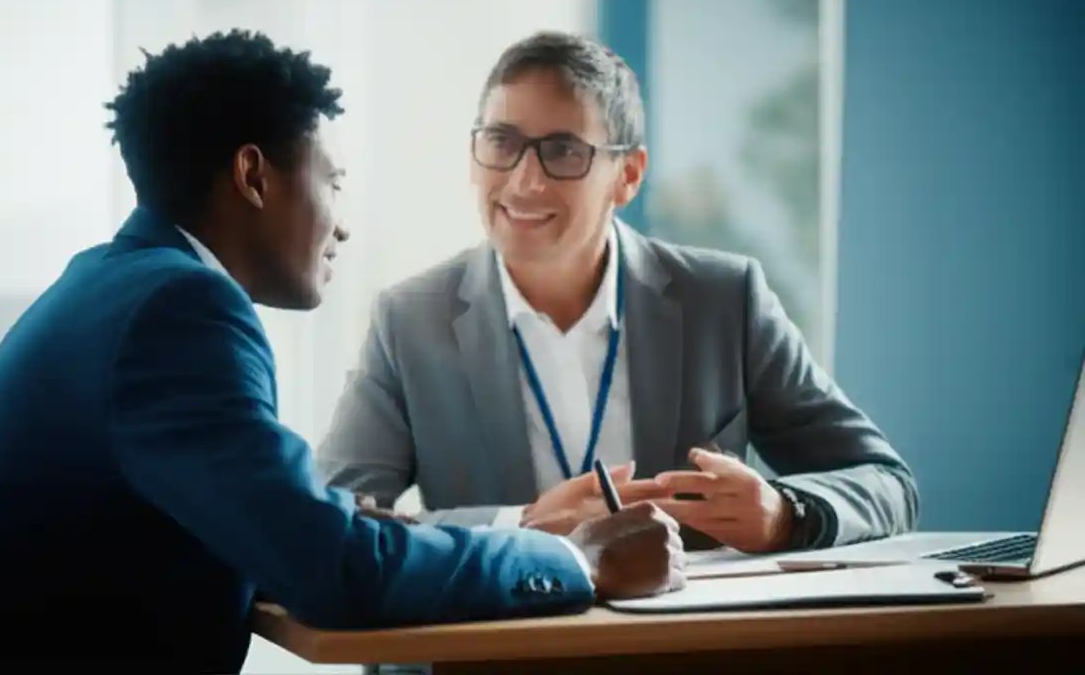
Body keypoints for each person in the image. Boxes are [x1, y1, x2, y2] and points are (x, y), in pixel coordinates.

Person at [0, 31, 684, 673]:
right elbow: (334, 572)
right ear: (253, 176)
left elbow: (287, 531)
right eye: (334, 183)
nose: (343, 223)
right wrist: (574, 557)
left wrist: (326, 524)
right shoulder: (185, 308)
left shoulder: (109, 282)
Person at [319, 31, 919, 554]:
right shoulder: (409, 321)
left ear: (627, 175)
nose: (524, 180)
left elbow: (885, 482)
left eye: (562, 152)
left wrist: (785, 514)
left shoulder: (724, 300)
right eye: (501, 142)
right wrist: (521, 526)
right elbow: (329, 521)